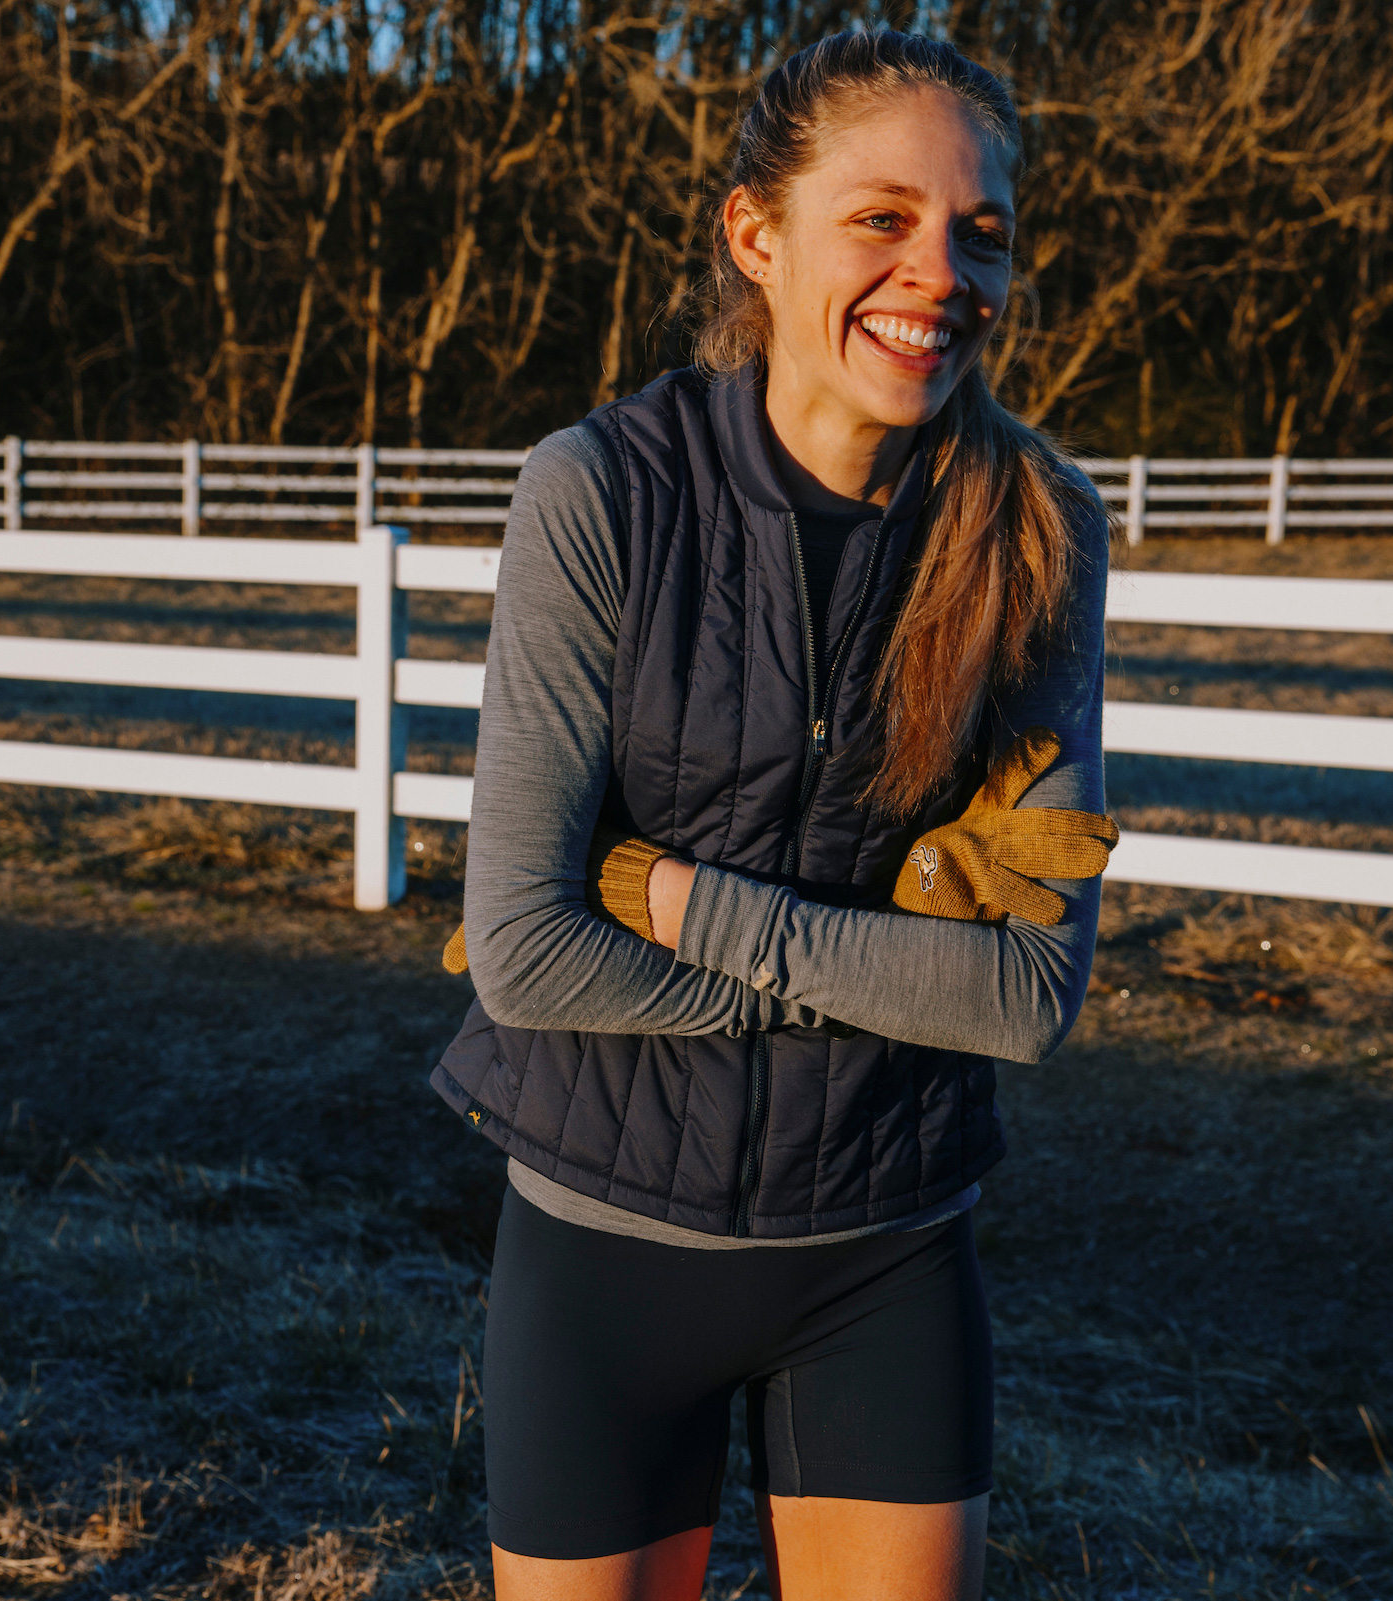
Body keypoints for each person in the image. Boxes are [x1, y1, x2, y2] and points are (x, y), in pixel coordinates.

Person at [429, 31, 1116, 1601]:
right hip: (603, 1253)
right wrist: (879, 971)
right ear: (758, 233)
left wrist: (682, 901)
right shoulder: (600, 491)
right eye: (884, 217)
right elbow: (524, 952)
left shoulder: (1040, 534)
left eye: (981, 232)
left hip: (887, 1254)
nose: (940, 271)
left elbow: (1022, 996)